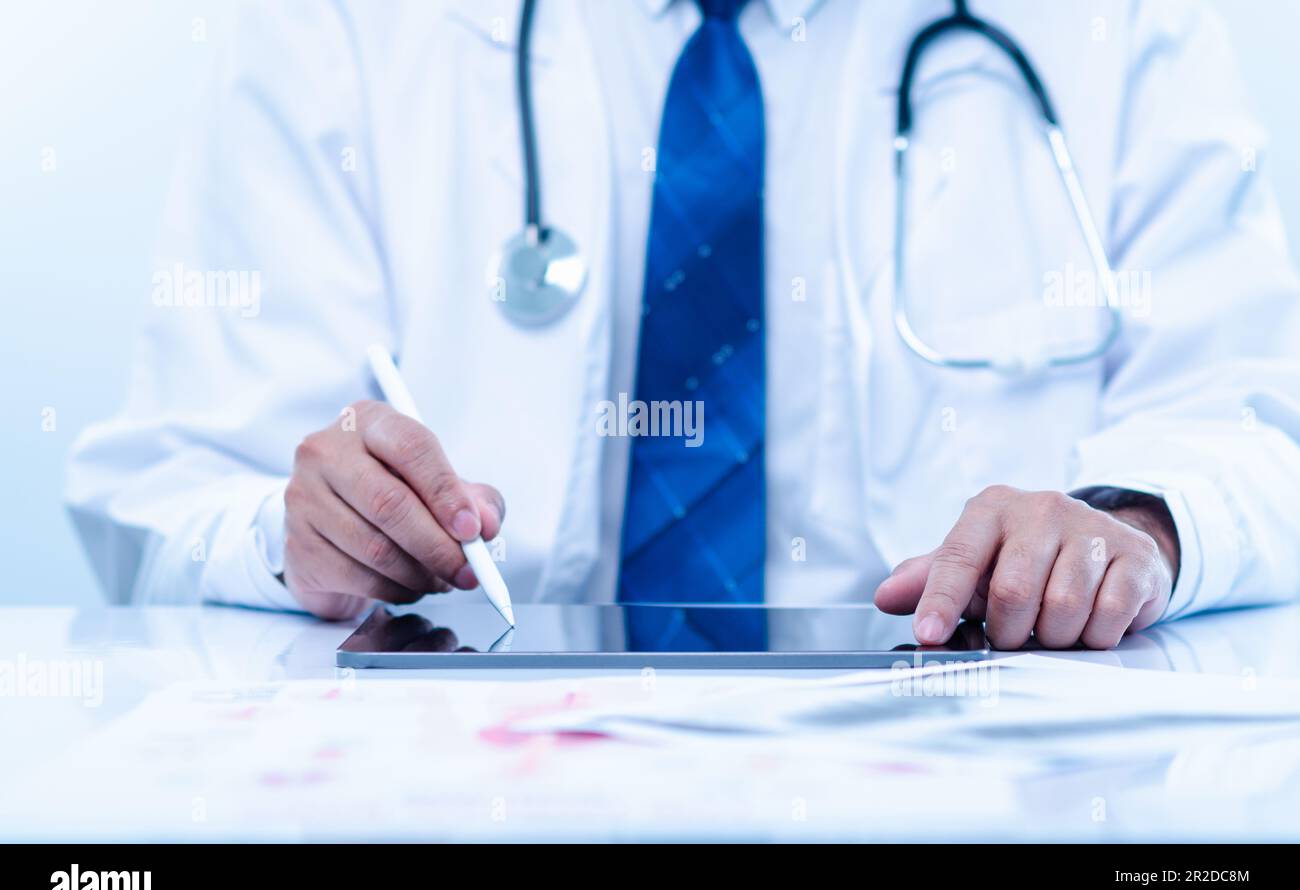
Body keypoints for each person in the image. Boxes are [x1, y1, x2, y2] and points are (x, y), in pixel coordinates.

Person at [67, 0, 1300, 649]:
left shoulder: (1117, 21)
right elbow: (170, 490)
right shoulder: (339, 23)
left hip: (968, 782)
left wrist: (1131, 525)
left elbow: (1257, 428)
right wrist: (299, 539)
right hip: (473, 786)